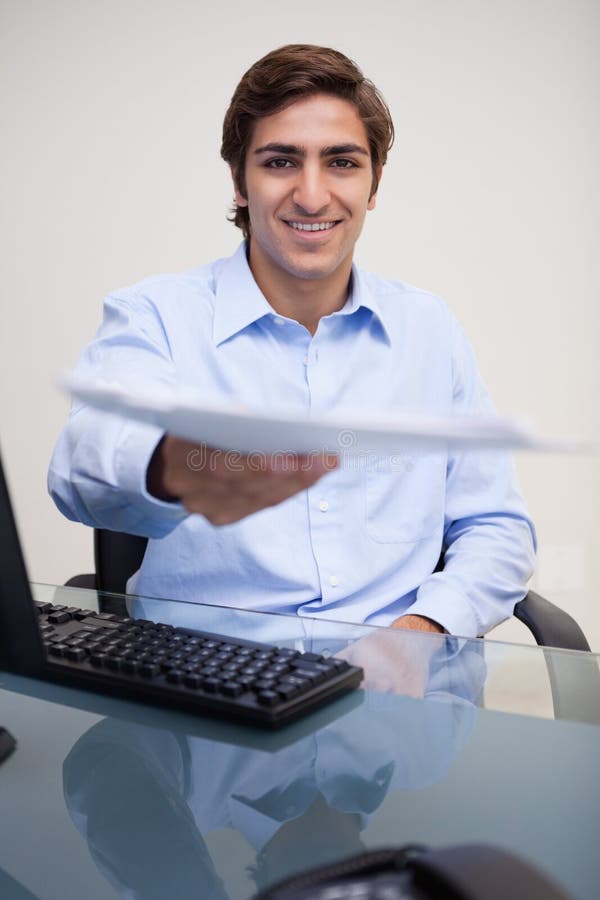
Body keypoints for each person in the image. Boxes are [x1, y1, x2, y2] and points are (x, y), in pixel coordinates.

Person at [48, 44, 536, 638]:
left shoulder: (429, 330)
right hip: (203, 686)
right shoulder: (155, 316)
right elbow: (83, 467)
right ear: (239, 181)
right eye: (280, 162)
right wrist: (175, 464)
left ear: (374, 182)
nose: (311, 195)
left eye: (342, 162)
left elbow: (496, 525)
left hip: (394, 695)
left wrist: (427, 628)